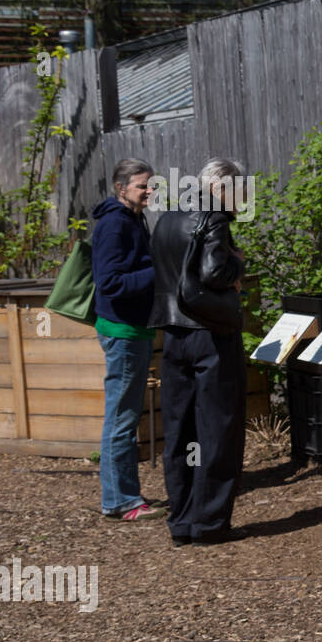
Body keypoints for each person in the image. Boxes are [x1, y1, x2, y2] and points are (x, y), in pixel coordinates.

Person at [149, 158, 248, 546]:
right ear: (223, 188)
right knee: (218, 430)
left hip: (174, 336)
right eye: (240, 191)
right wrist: (237, 266)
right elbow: (214, 273)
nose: (242, 200)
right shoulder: (215, 218)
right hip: (212, 336)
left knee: (181, 433)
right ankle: (209, 525)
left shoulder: (169, 218)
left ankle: (182, 522)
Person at [93, 158, 166, 521]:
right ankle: (120, 500)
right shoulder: (114, 225)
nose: (149, 190)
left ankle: (121, 494)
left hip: (133, 329)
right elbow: (110, 283)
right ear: (121, 188)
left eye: (151, 184)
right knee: (121, 418)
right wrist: (159, 270)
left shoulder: (134, 219)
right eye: (142, 185)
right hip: (122, 332)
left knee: (124, 415)